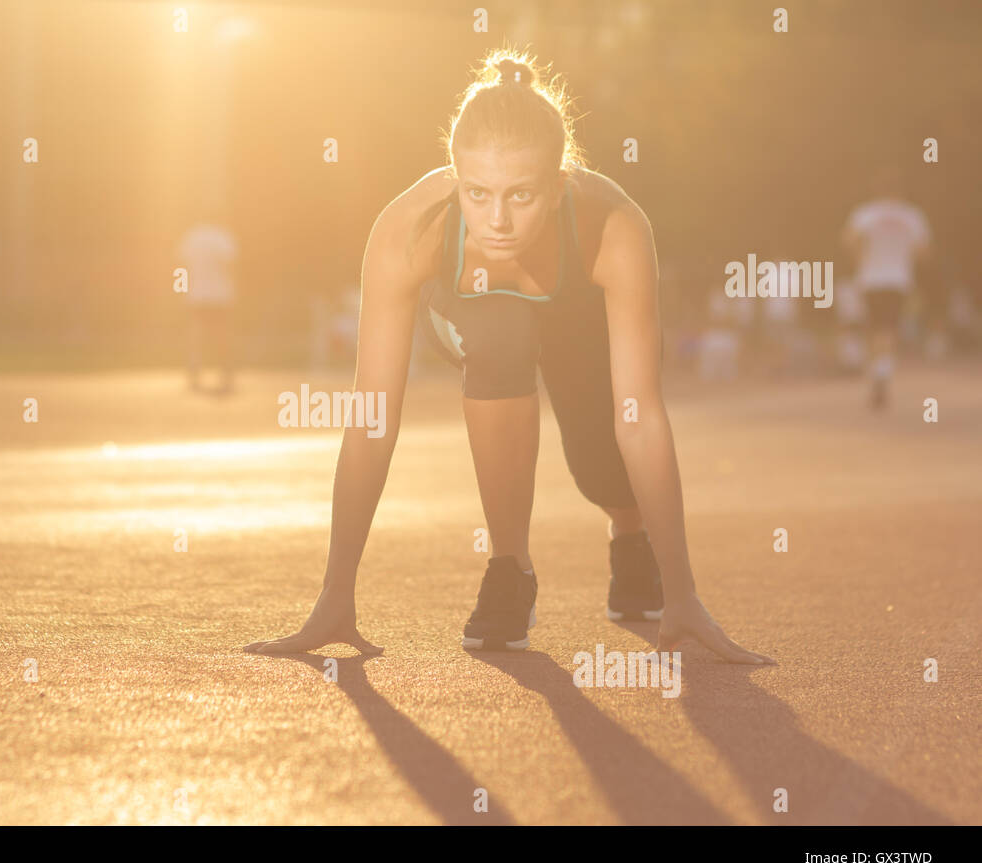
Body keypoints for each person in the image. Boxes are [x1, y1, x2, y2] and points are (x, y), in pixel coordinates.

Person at [244, 49, 772, 663]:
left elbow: (641, 416)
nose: (497, 220)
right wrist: (336, 592)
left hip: (576, 318)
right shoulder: (408, 230)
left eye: (521, 195)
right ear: (455, 178)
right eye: (477, 194)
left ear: (558, 187)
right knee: (500, 336)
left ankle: (631, 538)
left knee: (599, 465)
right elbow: (372, 418)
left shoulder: (614, 228)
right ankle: (508, 568)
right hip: (470, 319)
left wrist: (683, 592)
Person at [841, 167, 932, 409]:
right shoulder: (912, 216)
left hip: (870, 279)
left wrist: (861, 260)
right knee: (889, 330)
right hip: (898, 280)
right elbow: (923, 251)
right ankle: (882, 373)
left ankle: (876, 371)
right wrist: (904, 257)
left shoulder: (865, 214)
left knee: (873, 329)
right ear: (901, 191)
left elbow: (849, 240)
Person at [177, 219, 238, 395]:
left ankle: (193, 374)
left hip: (196, 295)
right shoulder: (223, 236)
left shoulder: (191, 236)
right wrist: (234, 291)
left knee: (195, 335)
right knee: (223, 334)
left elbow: (181, 267)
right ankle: (226, 374)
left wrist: (181, 290)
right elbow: (231, 265)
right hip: (221, 295)